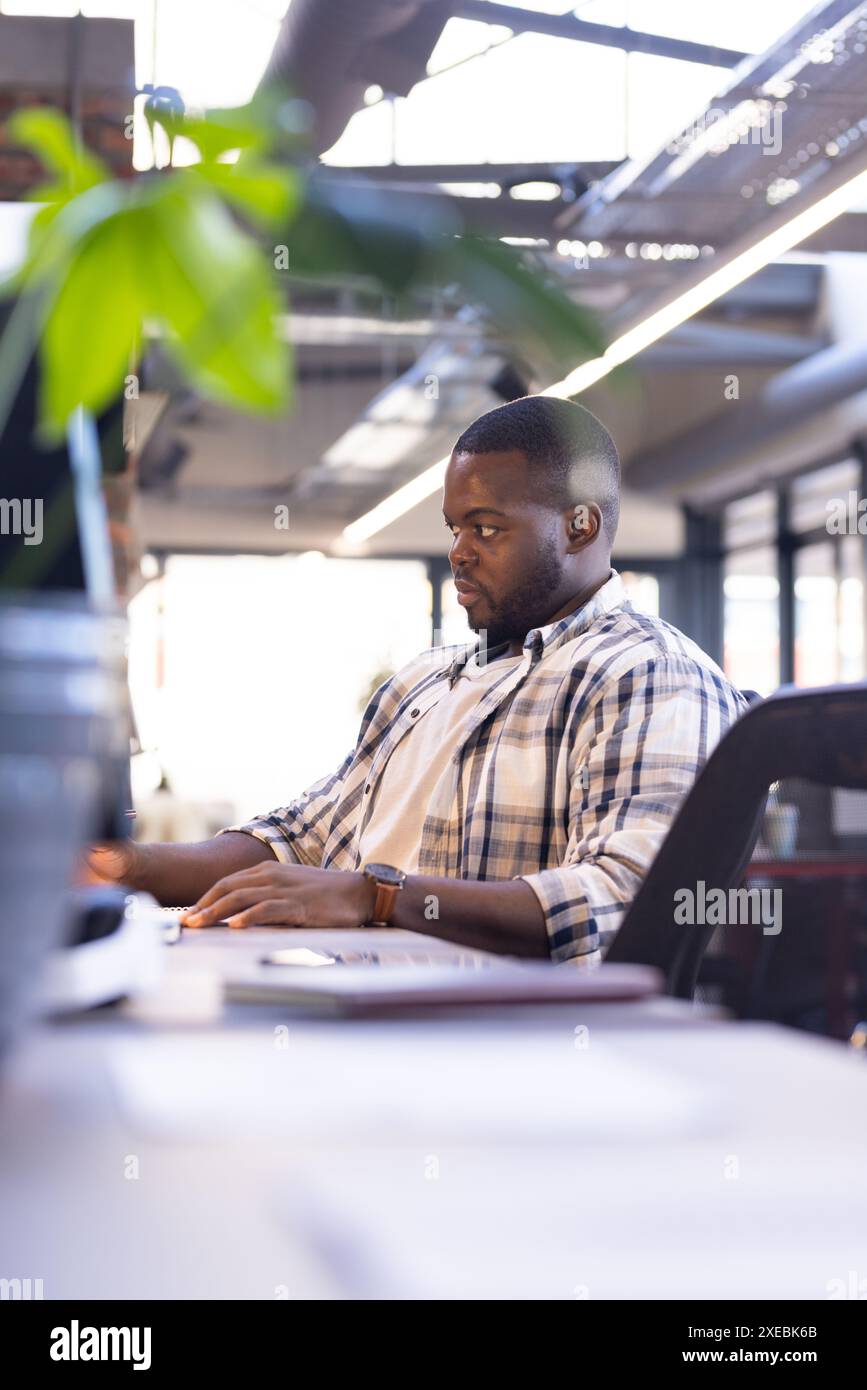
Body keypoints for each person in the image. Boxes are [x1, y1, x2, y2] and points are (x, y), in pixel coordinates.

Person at [90, 396, 746, 964]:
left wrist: (379, 897)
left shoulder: (648, 676)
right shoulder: (423, 685)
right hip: (377, 1023)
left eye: (486, 528)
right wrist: (123, 867)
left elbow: (623, 900)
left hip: (531, 1053)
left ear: (581, 527)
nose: (460, 551)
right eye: (456, 528)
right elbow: (298, 841)